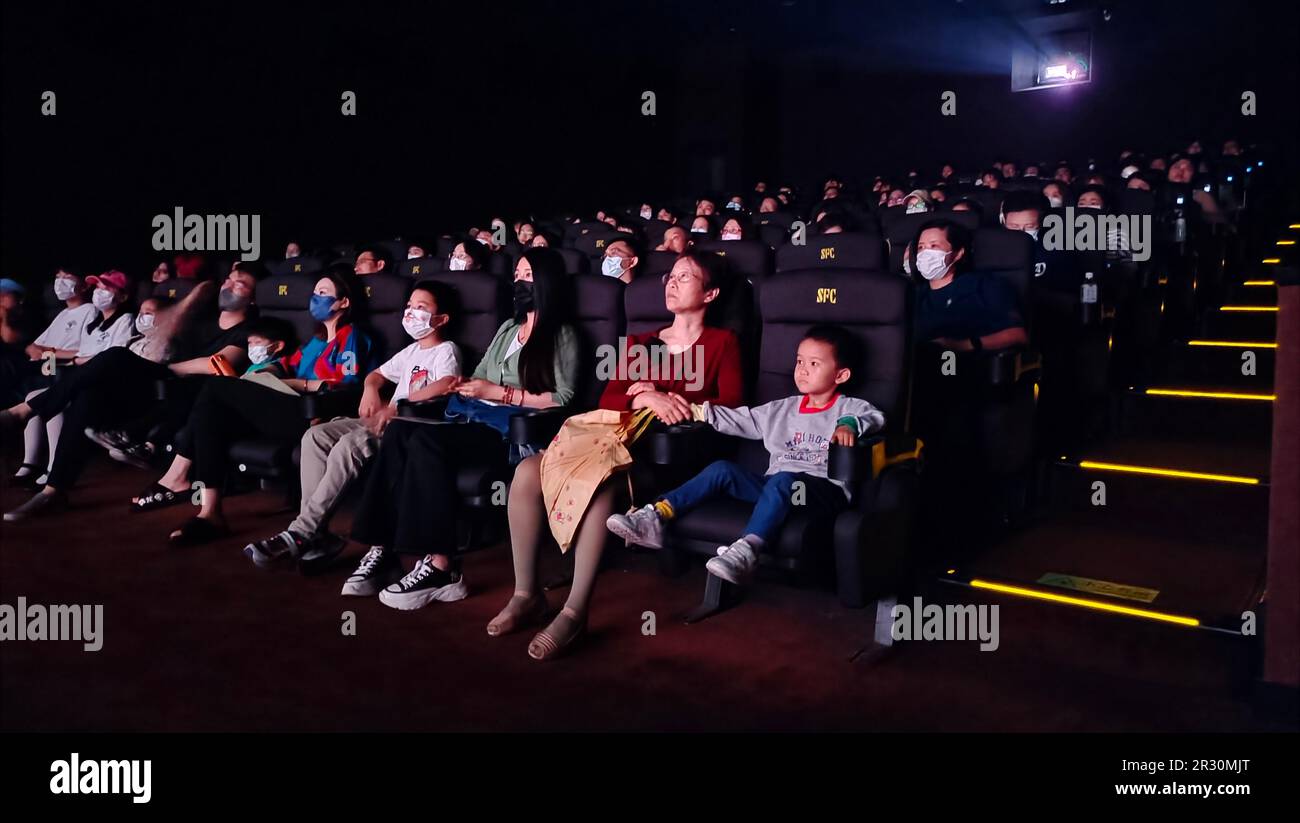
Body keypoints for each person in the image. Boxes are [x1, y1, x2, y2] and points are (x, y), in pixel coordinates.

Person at [486, 250, 744, 660]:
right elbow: (610, 398)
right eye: (669, 277)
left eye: (685, 277)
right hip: (609, 442)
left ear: (710, 293)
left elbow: (729, 408)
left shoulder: (721, 342)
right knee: (527, 472)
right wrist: (646, 392)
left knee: (602, 488)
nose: (671, 283)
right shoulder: (644, 342)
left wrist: (665, 398)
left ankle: (574, 612)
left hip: (667, 459)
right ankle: (527, 593)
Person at [342, 248, 580, 608]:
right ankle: (384, 546)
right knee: (400, 430)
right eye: (517, 274)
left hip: (514, 432)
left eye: (528, 275)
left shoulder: (562, 335)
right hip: (474, 417)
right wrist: (468, 387)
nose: (519, 281)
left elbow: (562, 398)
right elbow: (479, 376)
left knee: (422, 439)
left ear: (546, 282)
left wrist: (500, 393)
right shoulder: (507, 329)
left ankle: (443, 567)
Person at [607, 324, 884, 585]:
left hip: (823, 491)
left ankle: (747, 550)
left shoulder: (849, 407)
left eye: (814, 364)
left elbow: (874, 417)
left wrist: (848, 425)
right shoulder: (782, 408)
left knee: (784, 480)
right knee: (722, 470)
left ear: (841, 375)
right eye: (800, 361)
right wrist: (694, 410)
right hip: (777, 487)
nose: (802, 370)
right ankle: (655, 516)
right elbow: (742, 419)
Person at [0, 266, 259, 519]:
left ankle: (26, 410)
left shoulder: (249, 330)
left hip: (183, 392)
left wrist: (172, 368)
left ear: (254, 298)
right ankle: (53, 490)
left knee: (115, 355)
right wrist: (192, 299)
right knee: (89, 392)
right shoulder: (201, 320)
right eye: (228, 279)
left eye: (241, 283)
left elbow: (218, 364)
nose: (229, 284)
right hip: (158, 385)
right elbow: (161, 336)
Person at [243, 280, 462, 568]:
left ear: (441, 319)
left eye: (421, 308)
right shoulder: (411, 351)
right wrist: (371, 390)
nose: (411, 312)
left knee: (350, 444)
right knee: (315, 436)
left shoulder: (446, 349)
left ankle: (300, 532)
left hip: (406, 426)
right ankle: (316, 534)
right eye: (409, 306)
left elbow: (447, 383)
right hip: (381, 419)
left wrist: (395, 405)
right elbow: (375, 375)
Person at [154, 270, 375, 544]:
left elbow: (346, 384)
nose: (315, 298)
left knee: (215, 388)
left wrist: (299, 384)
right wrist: (264, 371)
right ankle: (208, 512)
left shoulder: (352, 336)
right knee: (212, 414)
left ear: (343, 302)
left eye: (323, 293)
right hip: (288, 405)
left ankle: (184, 481)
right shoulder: (315, 341)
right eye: (315, 292)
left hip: (317, 414)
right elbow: (286, 364)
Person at [911, 219, 1027, 352]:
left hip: (966, 364)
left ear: (958, 253)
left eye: (934, 246)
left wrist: (966, 345)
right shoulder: (913, 294)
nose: (925, 253)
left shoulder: (984, 286)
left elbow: (1018, 335)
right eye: (921, 247)